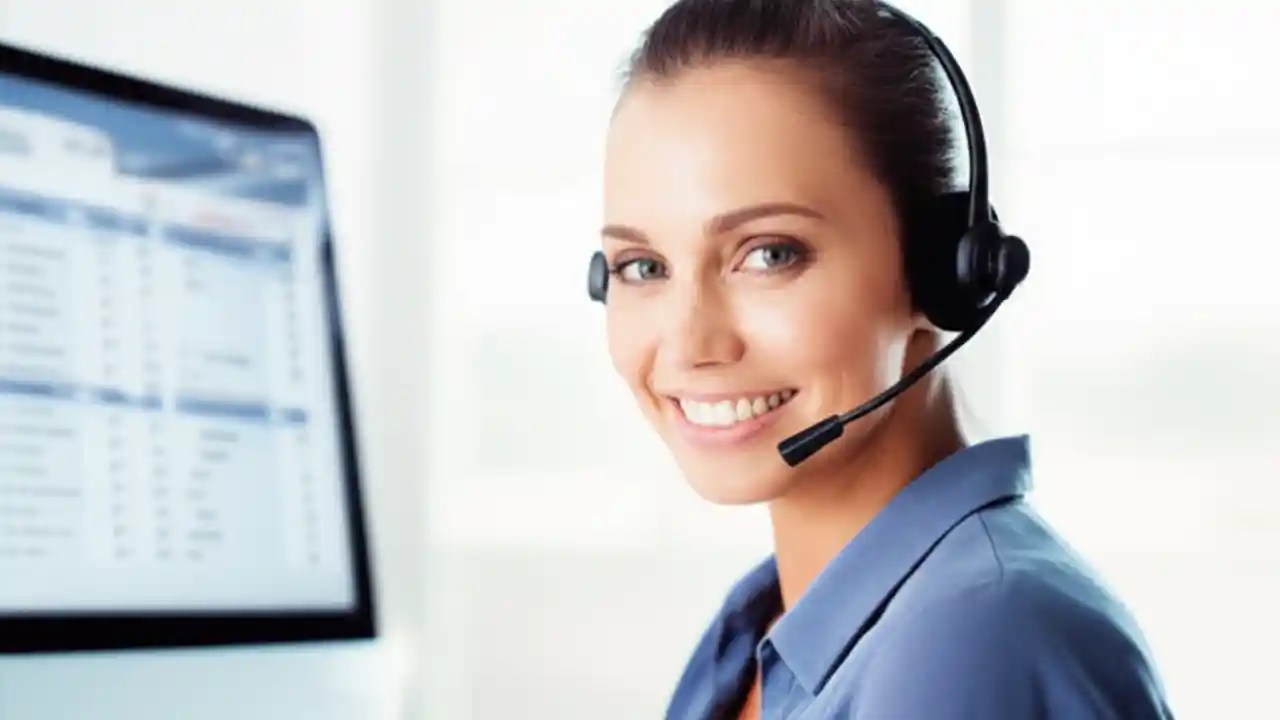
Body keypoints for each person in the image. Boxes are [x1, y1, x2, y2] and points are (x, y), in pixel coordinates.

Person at [591, 0, 1175, 718]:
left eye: (769, 254)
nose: (688, 344)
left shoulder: (976, 638)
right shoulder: (761, 627)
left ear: (943, 272)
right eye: (643, 267)